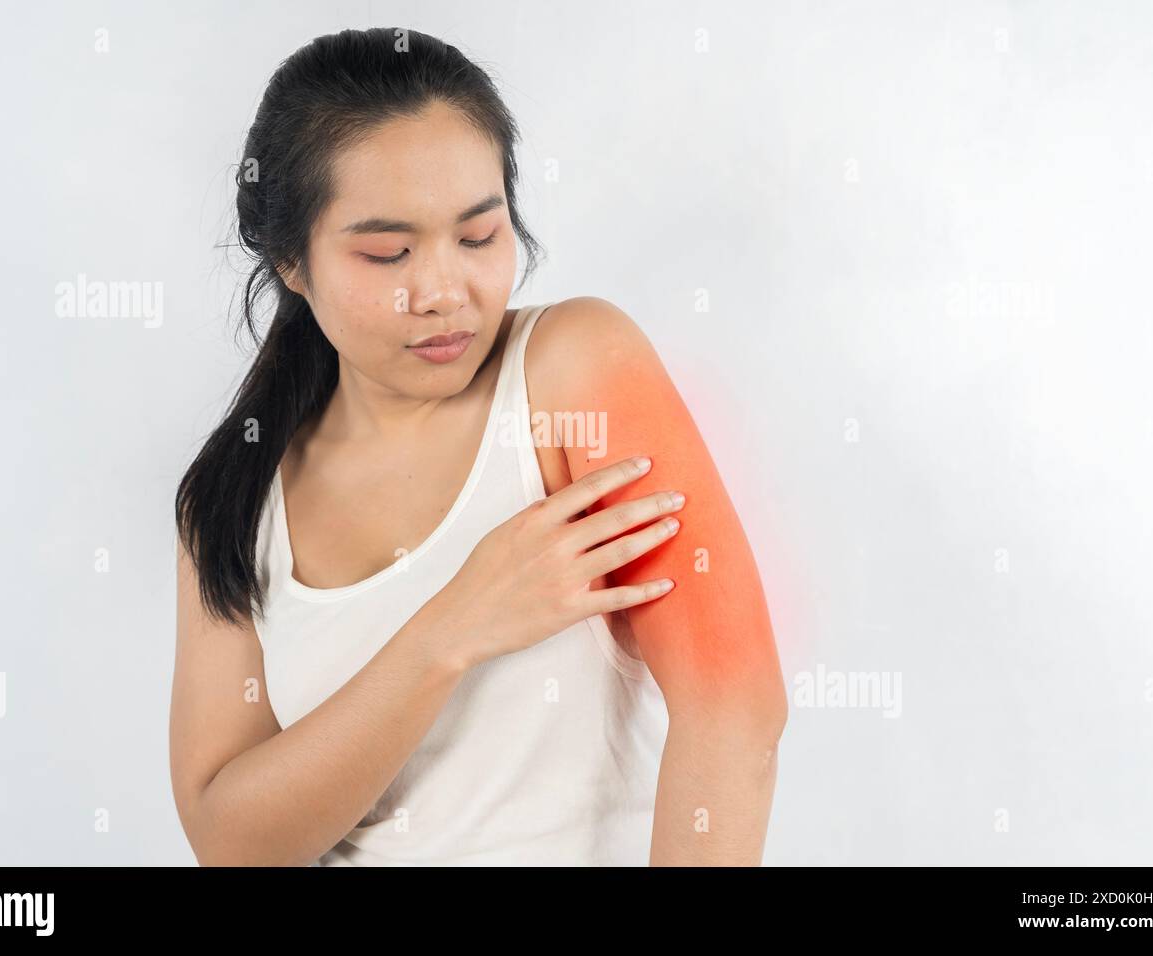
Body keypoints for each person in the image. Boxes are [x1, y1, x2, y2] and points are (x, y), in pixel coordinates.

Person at [170, 27, 787, 866]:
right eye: (387, 252)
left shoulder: (572, 369)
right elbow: (230, 840)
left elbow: (735, 711)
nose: (444, 293)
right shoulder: (235, 496)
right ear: (291, 260)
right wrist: (449, 630)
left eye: (478, 236)